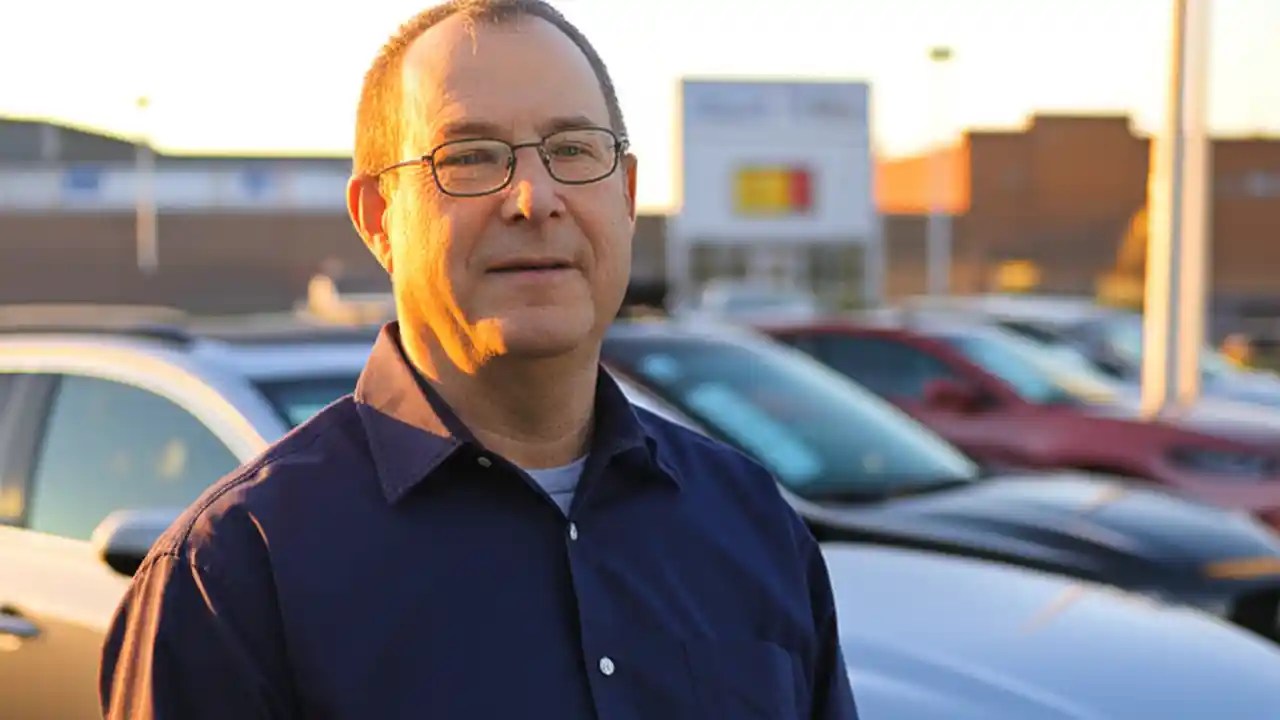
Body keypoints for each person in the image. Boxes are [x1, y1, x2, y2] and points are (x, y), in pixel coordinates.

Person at [99, 1, 859, 718]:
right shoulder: (233, 576)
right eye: (469, 157)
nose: (535, 198)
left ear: (627, 196)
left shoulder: (751, 523)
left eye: (572, 150)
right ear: (377, 219)